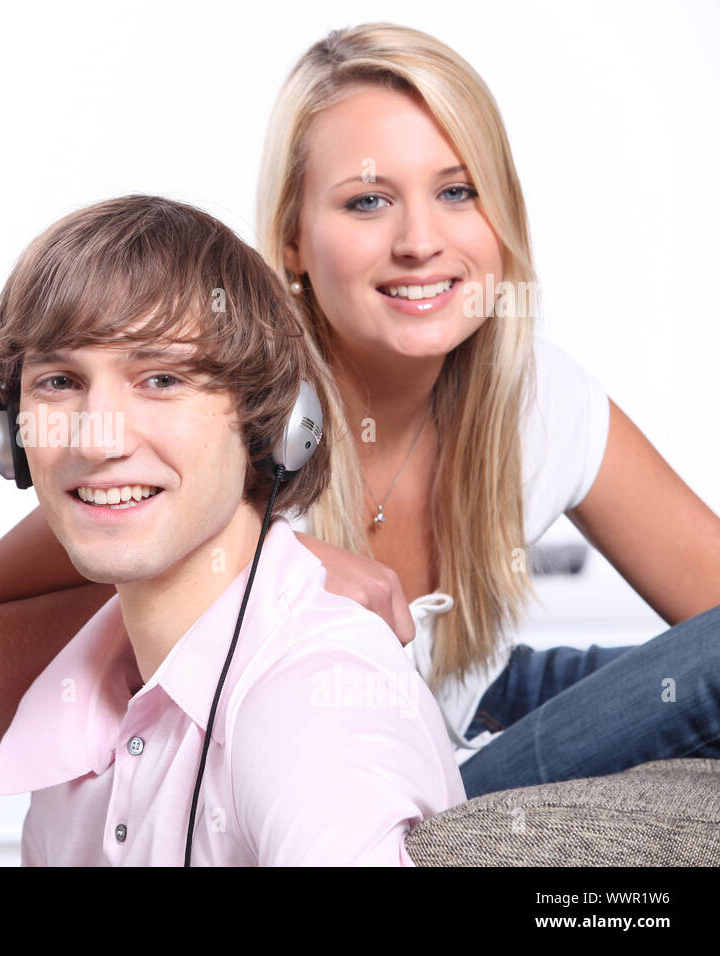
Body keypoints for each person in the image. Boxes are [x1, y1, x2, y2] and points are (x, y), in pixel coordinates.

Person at [252, 22, 720, 795]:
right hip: (387, 799)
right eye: (368, 201)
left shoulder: (531, 394)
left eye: (456, 191)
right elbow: (49, 594)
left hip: (465, 704)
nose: (420, 242)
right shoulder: (221, 412)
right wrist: (258, 570)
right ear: (293, 240)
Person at [0, 194, 462, 864]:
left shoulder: (312, 704)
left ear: (269, 427)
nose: (97, 439)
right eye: (60, 381)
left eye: (160, 378)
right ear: (9, 437)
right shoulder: (76, 727)